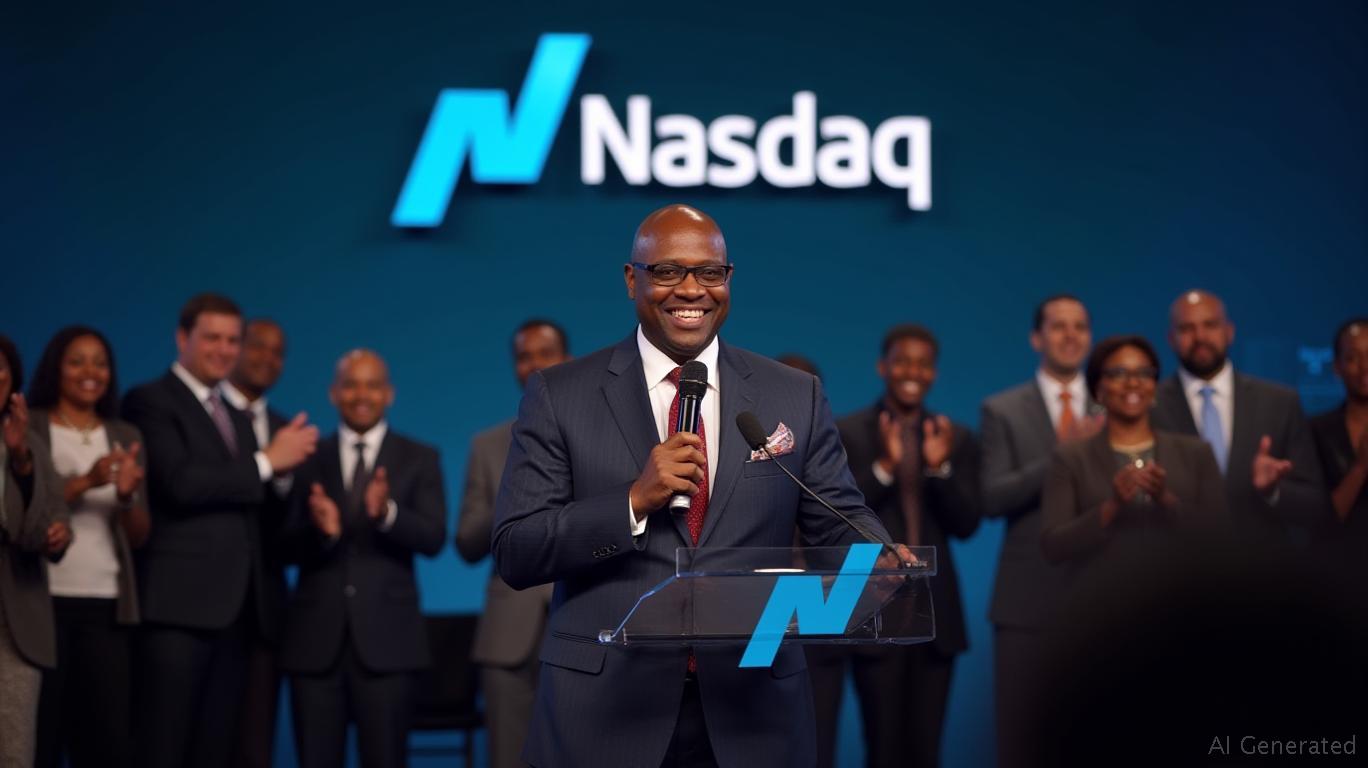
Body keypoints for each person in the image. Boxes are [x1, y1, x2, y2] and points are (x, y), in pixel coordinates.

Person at [491, 204, 893, 768]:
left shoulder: (793, 395)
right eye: (667, 271)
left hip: (754, 713)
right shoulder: (561, 395)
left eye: (709, 272)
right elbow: (517, 548)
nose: (691, 290)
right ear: (633, 278)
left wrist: (877, 557)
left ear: (728, 281)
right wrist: (633, 501)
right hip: (606, 714)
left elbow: (839, 517)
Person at [122, 293, 319, 768]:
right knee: (165, 746)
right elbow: (179, 484)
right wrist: (268, 461)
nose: (224, 349)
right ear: (182, 337)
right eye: (212, 337)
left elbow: (251, 506)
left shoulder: (236, 416)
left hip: (237, 614)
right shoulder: (150, 401)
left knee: (219, 750)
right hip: (177, 608)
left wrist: (282, 476)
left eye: (233, 340)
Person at [815, 324, 980, 768]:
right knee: (883, 748)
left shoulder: (954, 437)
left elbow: (967, 524)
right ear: (883, 367)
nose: (913, 371)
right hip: (874, 610)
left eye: (923, 363)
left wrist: (939, 468)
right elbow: (838, 518)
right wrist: (885, 466)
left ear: (934, 374)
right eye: (903, 361)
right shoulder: (847, 433)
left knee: (927, 751)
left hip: (938, 615)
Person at [280, 349, 447, 768]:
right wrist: (323, 532)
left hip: (388, 645)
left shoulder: (419, 457)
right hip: (315, 647)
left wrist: (387, 514)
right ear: (334, 393)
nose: (361, 394)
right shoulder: (307, 457)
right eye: (351, 384)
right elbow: (281, 545)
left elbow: (433, 537)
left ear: (388, 394)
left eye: (372, 385)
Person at [979, 294, 1101, 768]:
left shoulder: (1117, 404)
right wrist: (1061, 452)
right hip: (1026, 600)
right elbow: (992, 496)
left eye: (1080, 326)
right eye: (1058, 327)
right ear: (1037, 338)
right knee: (1022, 738)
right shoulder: (1002, 409)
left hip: (1102, 593)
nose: (1071, 336)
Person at [27, 327, 149, 768]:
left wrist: (126, 495)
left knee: (106, 741)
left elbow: (137, 536)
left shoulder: (123, 433)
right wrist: (87, 481)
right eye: (77, 360)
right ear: (56, 367)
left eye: (99, 362)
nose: (90, 372)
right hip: (42, 604)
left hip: (106, 606)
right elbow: (23, 508)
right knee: (40, 735)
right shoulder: (33, 426)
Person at [455, 319, 569, 768]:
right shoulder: (487, 446)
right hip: (508, 638)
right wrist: (511, 488)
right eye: (524, 356)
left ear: (567, 360)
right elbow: (466, 545)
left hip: (578, 621)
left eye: (545, 353)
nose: (534, 364)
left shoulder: (594, 435)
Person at [1151, 290, 1328, 541]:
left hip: (1261, 567)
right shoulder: (1149, 406)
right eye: (1187, 328)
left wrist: (1272, 491)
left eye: (1210, 325)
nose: (1200, 337)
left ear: (1230, 331)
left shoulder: (1280, 402)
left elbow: (1314, 503)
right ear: (1171, 338)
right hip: (1176, 568)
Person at [1040, 335, 1226, 568]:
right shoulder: (1070, 458)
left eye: (1144, 373)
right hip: (1100, 596)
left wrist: (1165, 500)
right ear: (1098, 390)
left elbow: (1220, 538)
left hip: (1180, 595)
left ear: (1154, 387)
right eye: (1118, 373)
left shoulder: (1196, 453)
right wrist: (1113, 506)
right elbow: (1053, 547)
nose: (1133, 383)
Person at [222, 318, 292, 768]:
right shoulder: (209, 416)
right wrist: (266, 463)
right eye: (257, 346)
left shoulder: (286, 429)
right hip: (202, 605)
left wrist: (287, 483)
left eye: (277, 351)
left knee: (255, 744)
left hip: (264, 610)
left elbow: (284, 531)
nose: (267, 358)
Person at [0, 335, 66, 767]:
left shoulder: (29, 446)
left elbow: (38, 531)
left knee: (14, 752)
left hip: (13, 625)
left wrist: (20, 460)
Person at [1309, 318, 1368, 584]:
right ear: (1337, 367)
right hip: (1339, 578)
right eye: (1353, 357)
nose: (1365, 367)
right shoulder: (1317, 431)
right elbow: (1321, 522)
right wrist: (1361, 467)